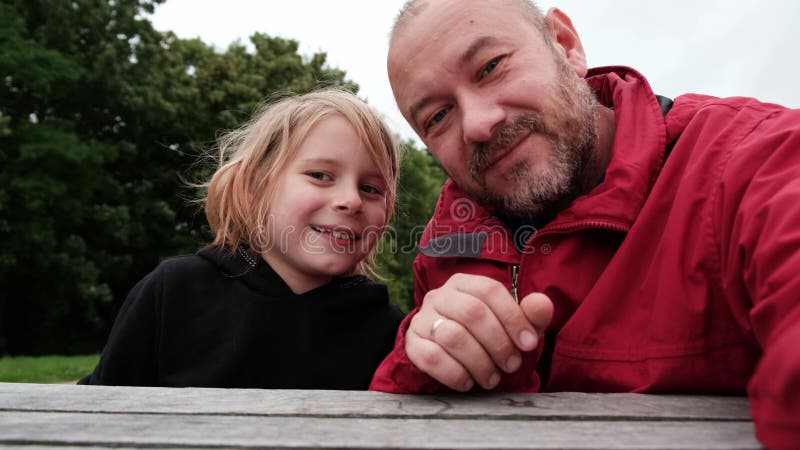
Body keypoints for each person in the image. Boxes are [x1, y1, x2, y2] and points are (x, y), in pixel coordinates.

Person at [369, 0, 800, 447]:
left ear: (565, 46)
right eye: (437, 117)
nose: (478, 123)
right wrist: (422, 360)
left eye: (491, 67)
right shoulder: (443, 252)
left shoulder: (751, 161)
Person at [81, 89, 404, 390]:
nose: (351, 200)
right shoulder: (174, 293)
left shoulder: (391, 334)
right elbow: (97, 415)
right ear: (254, 186)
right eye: (320, 176)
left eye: (371, 188)